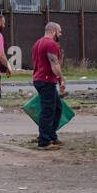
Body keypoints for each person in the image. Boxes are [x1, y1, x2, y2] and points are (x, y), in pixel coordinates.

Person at [30, 22, 67, 150]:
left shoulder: (37, 43)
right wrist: (61, 79)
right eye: (59, 32)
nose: (60, 34)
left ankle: (51, 135)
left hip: (39, 79)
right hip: (46, 80)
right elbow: (54, 64)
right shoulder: (51, 44)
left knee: (57, 107)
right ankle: (44, 141)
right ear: (53, 31)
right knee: (48, 110)